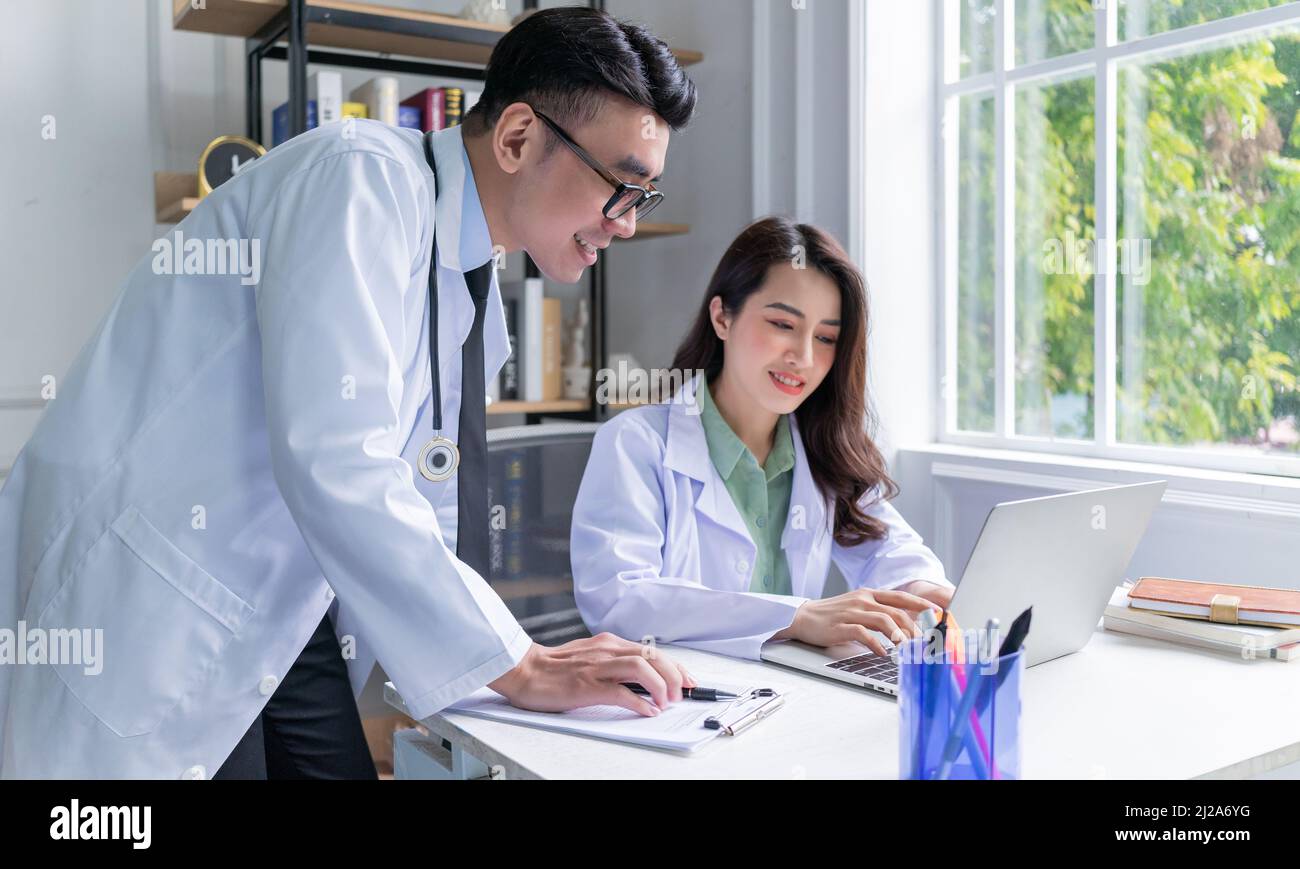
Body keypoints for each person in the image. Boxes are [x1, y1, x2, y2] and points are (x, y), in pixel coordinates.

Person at [0, 6, 697, 779]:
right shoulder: (359, 178)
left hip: (277, 610)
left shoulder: (460, 268)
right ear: (517, 138)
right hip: (156, 597)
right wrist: (519, 664)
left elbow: (419, 486)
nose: (626, 225)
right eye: (622, 187)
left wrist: (492, 654)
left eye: (644, 199)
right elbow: (337, 458)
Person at [570, 217, 955, 661]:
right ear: (722, 317)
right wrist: (795, 616)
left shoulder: (821, 448)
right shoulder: (635, 444)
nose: (804, 358)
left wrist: (922, 590)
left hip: (791, 697)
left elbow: (889, 547)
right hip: (680, 701)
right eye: (781, 324)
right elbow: (620, 602)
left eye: (826, 337)